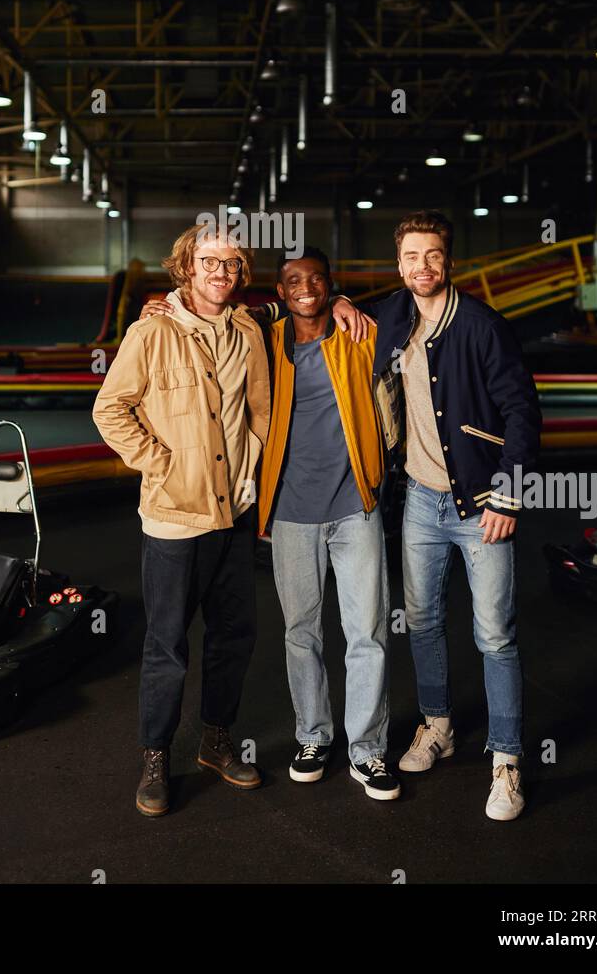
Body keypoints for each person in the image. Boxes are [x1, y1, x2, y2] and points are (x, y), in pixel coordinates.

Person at [93, 223, 366, 817]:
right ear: (185, 267)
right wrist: (161, 464)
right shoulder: (152, 331)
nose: (220, 272)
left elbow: (270, 387)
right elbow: (109, 408)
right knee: (167, 645)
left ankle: (217, 743)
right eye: (209, 262)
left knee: (234, 636)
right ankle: (156, 758)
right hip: (174, 517)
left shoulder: (249, 326)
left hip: (236, 514)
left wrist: (341, 298)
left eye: (231, 264)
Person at [355, 210, 542, 821]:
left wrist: (508, 494)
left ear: (450, 261)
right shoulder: (390, 315)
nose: (422, 267)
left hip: (482, 502)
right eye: (411, 257)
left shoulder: (484, 326)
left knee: (494, 633)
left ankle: (508, 762)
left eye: (432, 255)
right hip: (420, 500)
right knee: (423, 619)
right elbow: (320, 304)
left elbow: (522, 411)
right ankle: (438, 727)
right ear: (400, 262)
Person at [258, 248, 399, 800]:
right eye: (294, 280)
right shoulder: (266, 344)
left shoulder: (358, 337)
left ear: (331, 284)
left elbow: (408, 304)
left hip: (354, 505)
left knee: (367, 631)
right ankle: (313, 736)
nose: (306, 287)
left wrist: (348, 303)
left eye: (317, 279)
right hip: (291, 511)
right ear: (281, 291)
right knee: (302, 633)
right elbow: (214, 318)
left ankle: (368, 750)